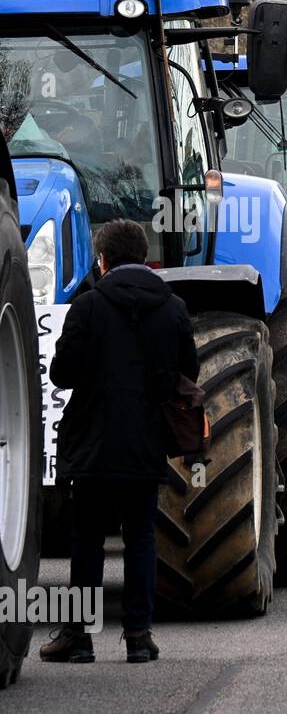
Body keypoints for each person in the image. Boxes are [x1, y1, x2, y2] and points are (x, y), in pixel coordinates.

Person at [41, 219, 198, 664]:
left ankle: (79, 639)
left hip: (92, 444)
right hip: (146, 443)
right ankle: (139, 637)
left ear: (102, 260)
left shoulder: (87, 308)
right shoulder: (173, 309)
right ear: (145, 256)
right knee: (141, 537)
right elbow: (190, 373)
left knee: (87, 539)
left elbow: (62, 374)